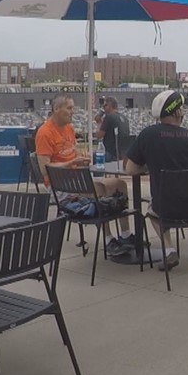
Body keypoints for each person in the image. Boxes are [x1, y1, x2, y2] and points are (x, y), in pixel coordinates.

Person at [124, 90, 188, 270]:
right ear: (177, 112)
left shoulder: (147, 134)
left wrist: (149, 166)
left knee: (151, 210)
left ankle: (169, 250)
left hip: (166, 208)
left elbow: (130, 169)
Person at [36, 93, 134, 255]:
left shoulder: (69, 128)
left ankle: (126, 235)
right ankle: (108, 240)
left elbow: (72, 155)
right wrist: (71, 163)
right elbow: (44, 169)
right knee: (99, 191)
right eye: (69, 108)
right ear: (56, 109)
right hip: (59, 187)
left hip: (77, 180)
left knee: (120, 185)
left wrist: (81, 159)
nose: (72, 112)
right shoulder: (45, 133)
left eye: (73, 108)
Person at [95, 96, 130, 162]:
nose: (103, 108)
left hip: (111, 154)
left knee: (91, 157)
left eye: (104, 105)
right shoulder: (125, 118)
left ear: (109, 105)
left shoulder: (109, 117)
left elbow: (99, 135)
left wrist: (99, 122)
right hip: (122, 155)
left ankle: (97, 172)